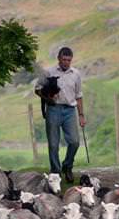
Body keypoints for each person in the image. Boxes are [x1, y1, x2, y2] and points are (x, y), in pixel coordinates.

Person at [36, 46, 85, 182]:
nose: (66, 62)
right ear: (59, 58)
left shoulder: (76, 74)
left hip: (70, 110)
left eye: (69, 60)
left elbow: (79, 95)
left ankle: (67, 166)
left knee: (74, 142)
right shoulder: (48, 72)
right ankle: (56, 172)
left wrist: (81, 115)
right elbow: (38, 89)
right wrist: (47, 99)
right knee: (53, 143)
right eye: (64, 59)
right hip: (53, 109)